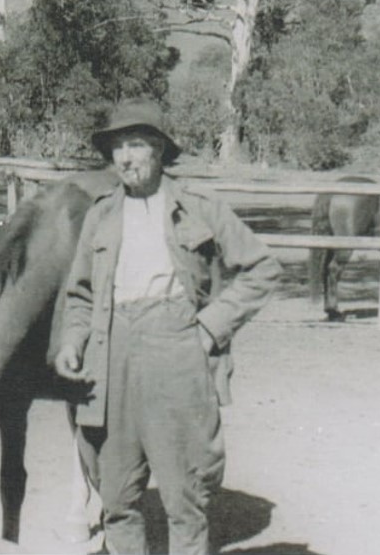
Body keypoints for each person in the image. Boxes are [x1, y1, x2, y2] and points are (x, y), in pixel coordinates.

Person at [54, 98, 281, 554]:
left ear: (160, 150)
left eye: (136, 144)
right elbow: (79, 294)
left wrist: (210, 326)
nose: (126, 157)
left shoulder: (198, 207)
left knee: (185, 496)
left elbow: (263, 268)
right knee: (116, 495)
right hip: (110, 356)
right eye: (118, 146)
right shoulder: (101, 214)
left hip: (176, 351)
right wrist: (72, 341)